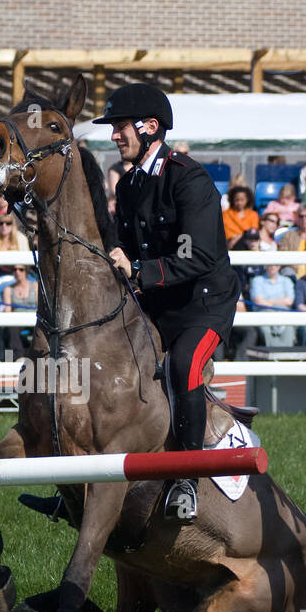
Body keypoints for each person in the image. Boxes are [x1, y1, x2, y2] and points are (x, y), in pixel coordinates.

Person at [98, 81, 239, 523]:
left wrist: (139, 272)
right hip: (158, 301)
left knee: (182, 366)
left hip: (204, 304)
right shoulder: (128, 187)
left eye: (121, 127)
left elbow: (196, 256)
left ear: (150, 127)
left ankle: (186, 481)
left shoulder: (189, 178)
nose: (114, 136)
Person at [250, 261, 296, 348]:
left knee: (289, 329)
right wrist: (280, 301)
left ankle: (285, 357)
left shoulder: (287, 281)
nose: (273, 267)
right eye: (270, 264)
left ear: (279, 266)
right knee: (265, 330)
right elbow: (258, 301)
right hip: (264, 315)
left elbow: (289, 301)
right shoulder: (257, 280)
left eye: (276, 264)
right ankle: (273, 357)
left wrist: (268, 301)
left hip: (283, 315)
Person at [1, 264, 39, 356]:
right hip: (17, 319)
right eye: (15, 269)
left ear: (26, 271)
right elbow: (7, 309)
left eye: (21, 269)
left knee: (40, 329)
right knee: (11, 328)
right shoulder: (8, 289)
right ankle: (19, 356)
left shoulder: (35, 286)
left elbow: (39, 306)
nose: (17, 272)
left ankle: (38, 355)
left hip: (33, 318)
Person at [222, 185, 260, 250]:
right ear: (232, 200)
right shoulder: (226, 214)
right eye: (237, 200)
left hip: (249, 244)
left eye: (242, 200)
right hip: (231, 244)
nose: (239, 203)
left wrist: (239, 236)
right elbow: (227, 232)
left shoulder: (253, 214)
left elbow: (253, 232)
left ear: (247, 200)